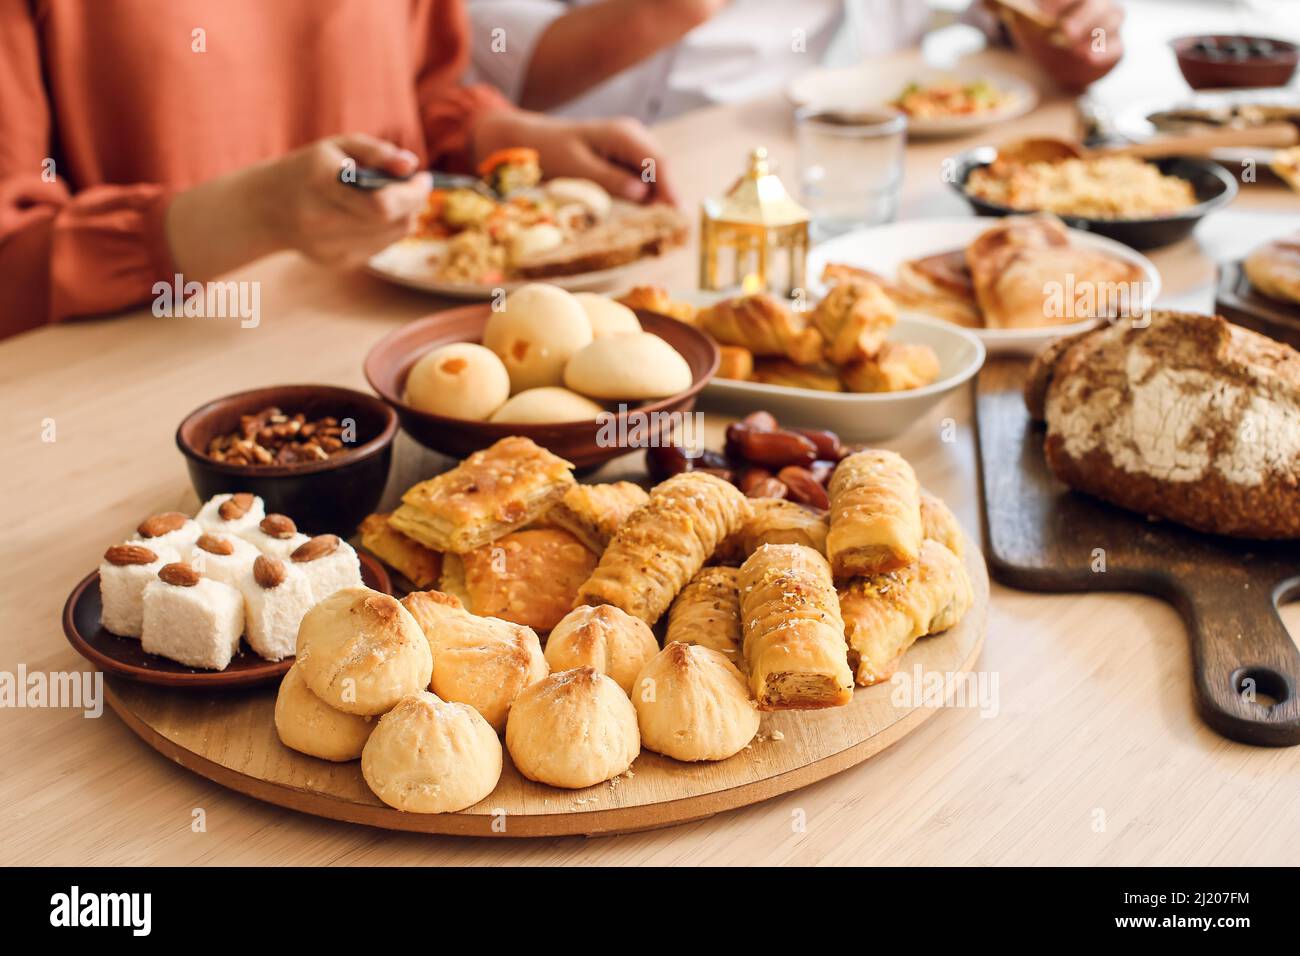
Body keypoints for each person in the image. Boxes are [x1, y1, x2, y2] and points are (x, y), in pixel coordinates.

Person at [0, 0, 677, 339]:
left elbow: (416, 93)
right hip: (140, 397)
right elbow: (11, 264)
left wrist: (491, 144)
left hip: (398, 357)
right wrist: (252, 215)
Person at [466, 0, 1123, 121]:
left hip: (853, 166)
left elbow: (999, 20)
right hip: (626, 173)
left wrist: (1057, 32)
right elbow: (517, 69)